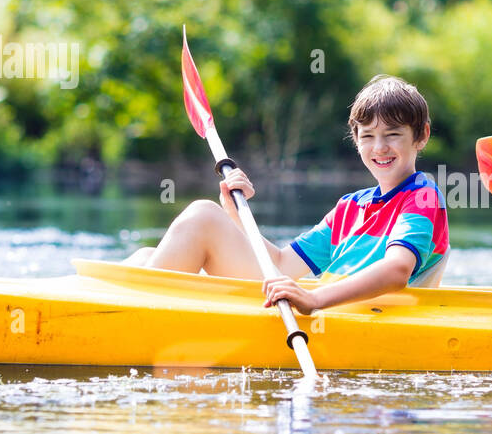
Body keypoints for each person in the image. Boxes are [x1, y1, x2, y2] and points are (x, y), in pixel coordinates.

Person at [124, 74, 450, 314]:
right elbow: (281, 264)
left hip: (365, 315)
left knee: (200, 216)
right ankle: (115, 308)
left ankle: (128, 318)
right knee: (147, 255)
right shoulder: (350, 207)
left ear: (421, 136)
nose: (380, 148)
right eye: (368, 136)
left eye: (393, 134)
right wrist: (235, 212)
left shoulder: (422, 196)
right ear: (355, 138)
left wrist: (315, 299)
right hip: (329, 307)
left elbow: (396, 272)